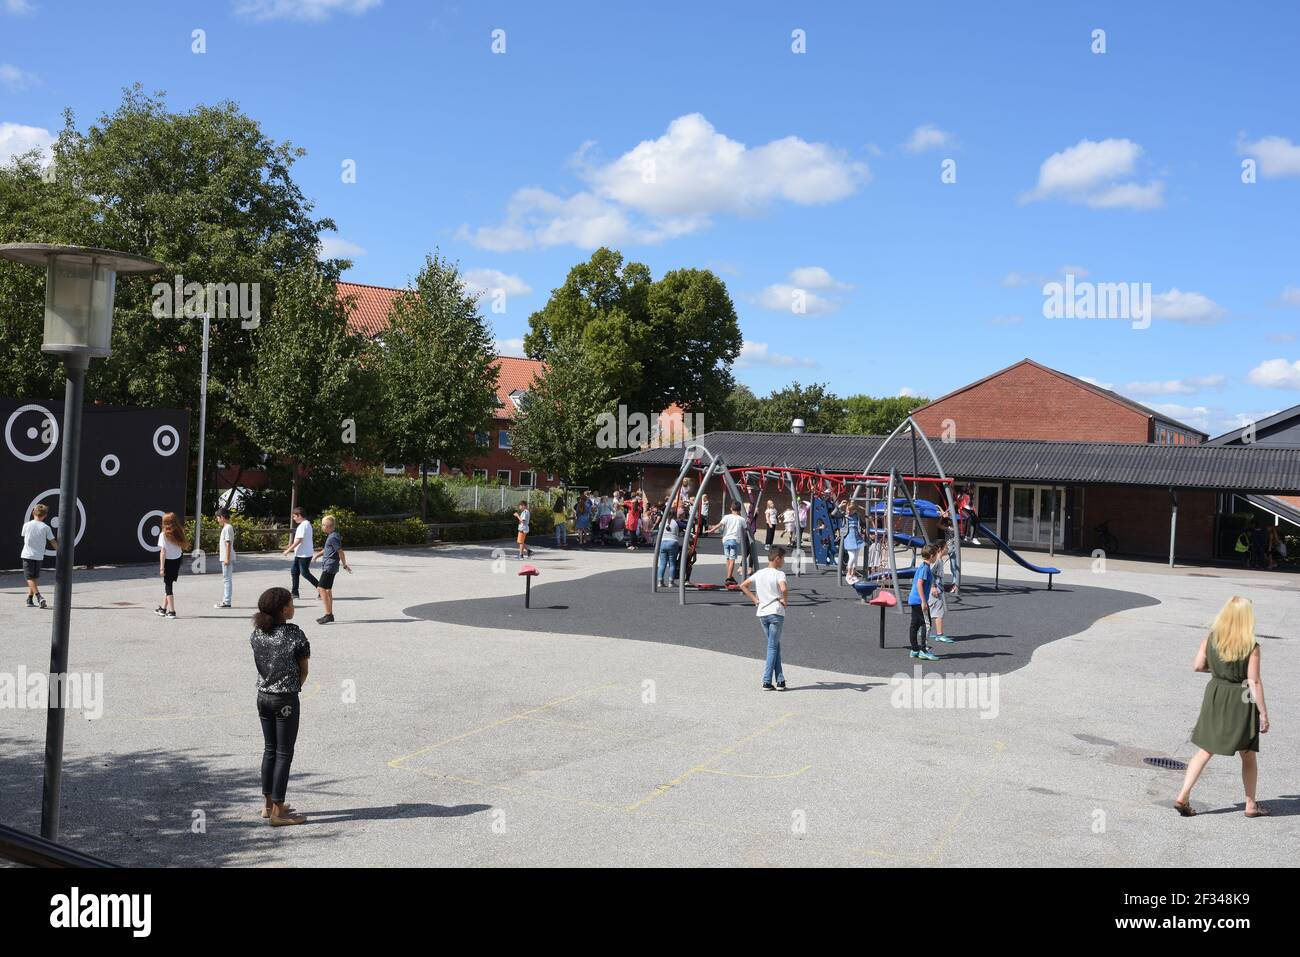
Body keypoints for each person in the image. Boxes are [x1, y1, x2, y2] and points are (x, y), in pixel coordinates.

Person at [1173, 596, 1271, 818]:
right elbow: (1253, 681)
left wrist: (1219, 672)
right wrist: (1263, 713)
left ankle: (1183, 795)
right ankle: (1250, 805)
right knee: (1247, 753)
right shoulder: (1251, 647)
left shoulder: (1210, 639)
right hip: (1242, 696)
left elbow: (1198, 666)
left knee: (1205, 749)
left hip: (1216, 694)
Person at [250, 587, 310, 826]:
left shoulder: (257, 633)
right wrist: (294, 687)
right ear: (284, 610)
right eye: (291, 603)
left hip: (263, 696)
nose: (294, 607)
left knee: (270, 750)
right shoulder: (294, 634)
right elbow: (303, 670)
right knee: (284, 752)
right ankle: (278, 812)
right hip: (285, 699)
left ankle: (268, 805)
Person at [739, 546, 789, 691]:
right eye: (783, 559)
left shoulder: (759, 573)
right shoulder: (779, 574)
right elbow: (784, 589)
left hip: (762, 613)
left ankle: (780, 680)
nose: (784, 562)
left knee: (775, 646)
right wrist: (785, 600)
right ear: (777, 558)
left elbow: (743, 585)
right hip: (776, 612)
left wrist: (755, 599)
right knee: (773, 647)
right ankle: (766, 680)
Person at [312, 514, 351, 625]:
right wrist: (317, 556)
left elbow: (340, 551)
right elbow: (327, 549)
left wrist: (344, 564)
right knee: (327, 589)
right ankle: (329, 614)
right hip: (330, 565)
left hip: (330, 565)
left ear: (329, 526)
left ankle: (328, 614)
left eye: (323, 525)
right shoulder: (333, 535)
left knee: (321, 588)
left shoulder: (333, 537)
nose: (322, 527)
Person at [20, 503, 56, 609]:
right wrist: (61, 553)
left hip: (27, 555)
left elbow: (24, 536)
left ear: (33, 513)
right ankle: (29, 599)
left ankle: (39, 597)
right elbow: (53, 541)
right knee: (34, 578)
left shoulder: (26, 525)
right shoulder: (46, 527)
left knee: (29, 578)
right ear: (45, 515)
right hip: (39, 556)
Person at [907, 544, 938, 661]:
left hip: (914, 599)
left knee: (914, 624)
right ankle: (923, 650)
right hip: (919, 601)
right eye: (935, 555)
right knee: (927, 624)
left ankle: (914, 649)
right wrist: (924, 601)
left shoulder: (923, 567)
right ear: (931, 556)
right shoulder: (925, 568)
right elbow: (919, 583)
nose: (936, 558)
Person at [281, 507, 319, 600]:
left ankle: (322, 589)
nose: (293, 518)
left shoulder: (303, 525)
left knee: (305, 573)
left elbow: (299, 540)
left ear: (299, 516)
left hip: (304, 554)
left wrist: (288, 550)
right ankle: (295, 593)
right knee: (294, 572)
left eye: (294, 516)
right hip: (300, 554)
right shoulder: (306, 524)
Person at [707, 502, 748, 585]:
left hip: (726, 540)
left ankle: (729, 575)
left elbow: (719, 525)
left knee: (728, 558)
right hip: (734, 540)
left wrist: (711, 530)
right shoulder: (741, 519)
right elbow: (746, 528)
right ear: (740, 510)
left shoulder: (726, 517)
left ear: (731, 508)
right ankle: (729, 577)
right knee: (732, 559)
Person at [155, 511, 186, 619]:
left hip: (168, 561)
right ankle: (163, 609)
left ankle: (172, 611)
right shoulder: (179, 532)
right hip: (177, 560)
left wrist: (162, 568)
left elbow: (163, 552)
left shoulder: (163, 535)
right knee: (169, 584)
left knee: (168, 587)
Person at [927, 540, 953, 643]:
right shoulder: (937, 561)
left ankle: (923, 630)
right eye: (946, 547)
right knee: (939, 613)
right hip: (935, 590)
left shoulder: (939, 560)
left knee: (930, 611)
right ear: (940, 549)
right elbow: (930, 573)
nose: (947, 549)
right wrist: (933, 587)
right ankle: (939, 634)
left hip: (937, 588)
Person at [214, 507, 236, 609]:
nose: (217, 520)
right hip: (225, 557)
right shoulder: (227, 527)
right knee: (227, 579)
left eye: (218, 518)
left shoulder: (227, 528)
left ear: (222, 517)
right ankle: (226, 600)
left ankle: (226, 601)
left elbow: (228, 543)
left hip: (226, 558)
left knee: (227, 579)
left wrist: (227, 558)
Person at [658, 509, 685, 587]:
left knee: (662, 563)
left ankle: (660, 581)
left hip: (663, 542)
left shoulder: (662, 523)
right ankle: (671, 582)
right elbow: (685, 527)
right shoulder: (676, 522)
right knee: (672, 564)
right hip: (673, 542)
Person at [842, 500, 865, 583]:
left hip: (857, 537)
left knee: (856, 558)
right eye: (848, 509)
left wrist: (869, 519)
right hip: (849, 538)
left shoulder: (857, 516)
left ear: (855, 510)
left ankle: (853, 574)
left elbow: (863, 523)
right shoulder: (844, 516)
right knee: (851, 557)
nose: (849, 511)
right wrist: (840, 505)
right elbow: (833, 514)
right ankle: (848, 574)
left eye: (851, 510)